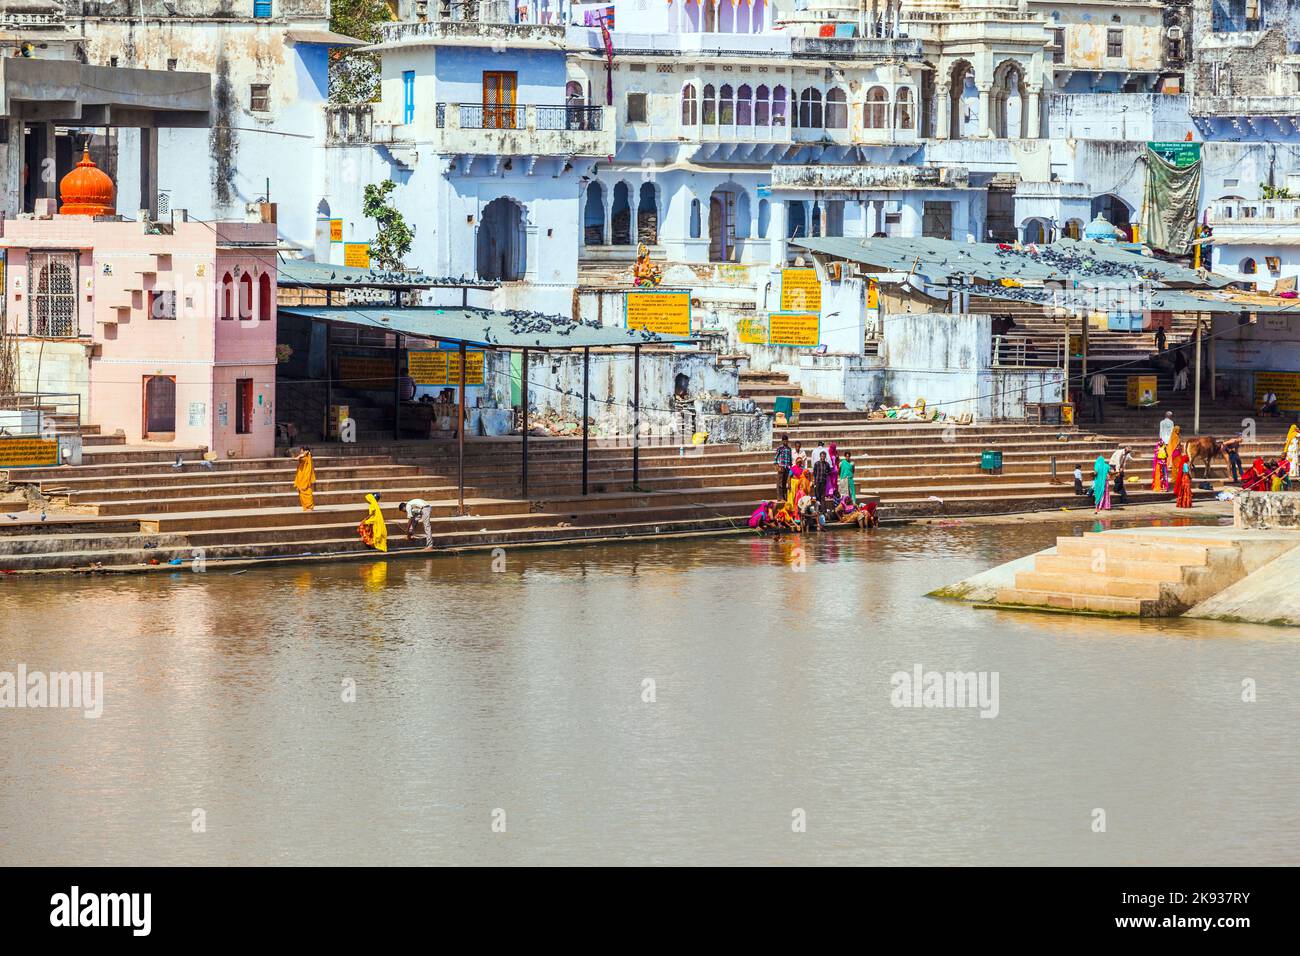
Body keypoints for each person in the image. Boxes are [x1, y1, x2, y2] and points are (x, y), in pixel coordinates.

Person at [292, 446, 316, 511]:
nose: (300, 451)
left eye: (301, 450)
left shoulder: (306, 456)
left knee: (306, 491)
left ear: (304, 450)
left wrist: (297, 456)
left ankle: (309, 507)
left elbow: (298, 459)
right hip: (302, 476)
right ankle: (307, 507)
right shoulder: (306, 456)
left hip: (305, 477)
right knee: (303, 491)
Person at [773, 434, 793, 501]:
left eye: (786, 441)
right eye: (784, 441)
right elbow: (775, 458)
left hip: (787, 468)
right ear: (782, 441)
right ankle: (779, 497)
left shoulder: (789, 449)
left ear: (788, 441)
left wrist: (791, 467)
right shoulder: (780, 448)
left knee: (784, 482)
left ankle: (784, 497)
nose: (785, 442)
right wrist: (777, 466)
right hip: (781, 467)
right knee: (779, 483)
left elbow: (790, 459)